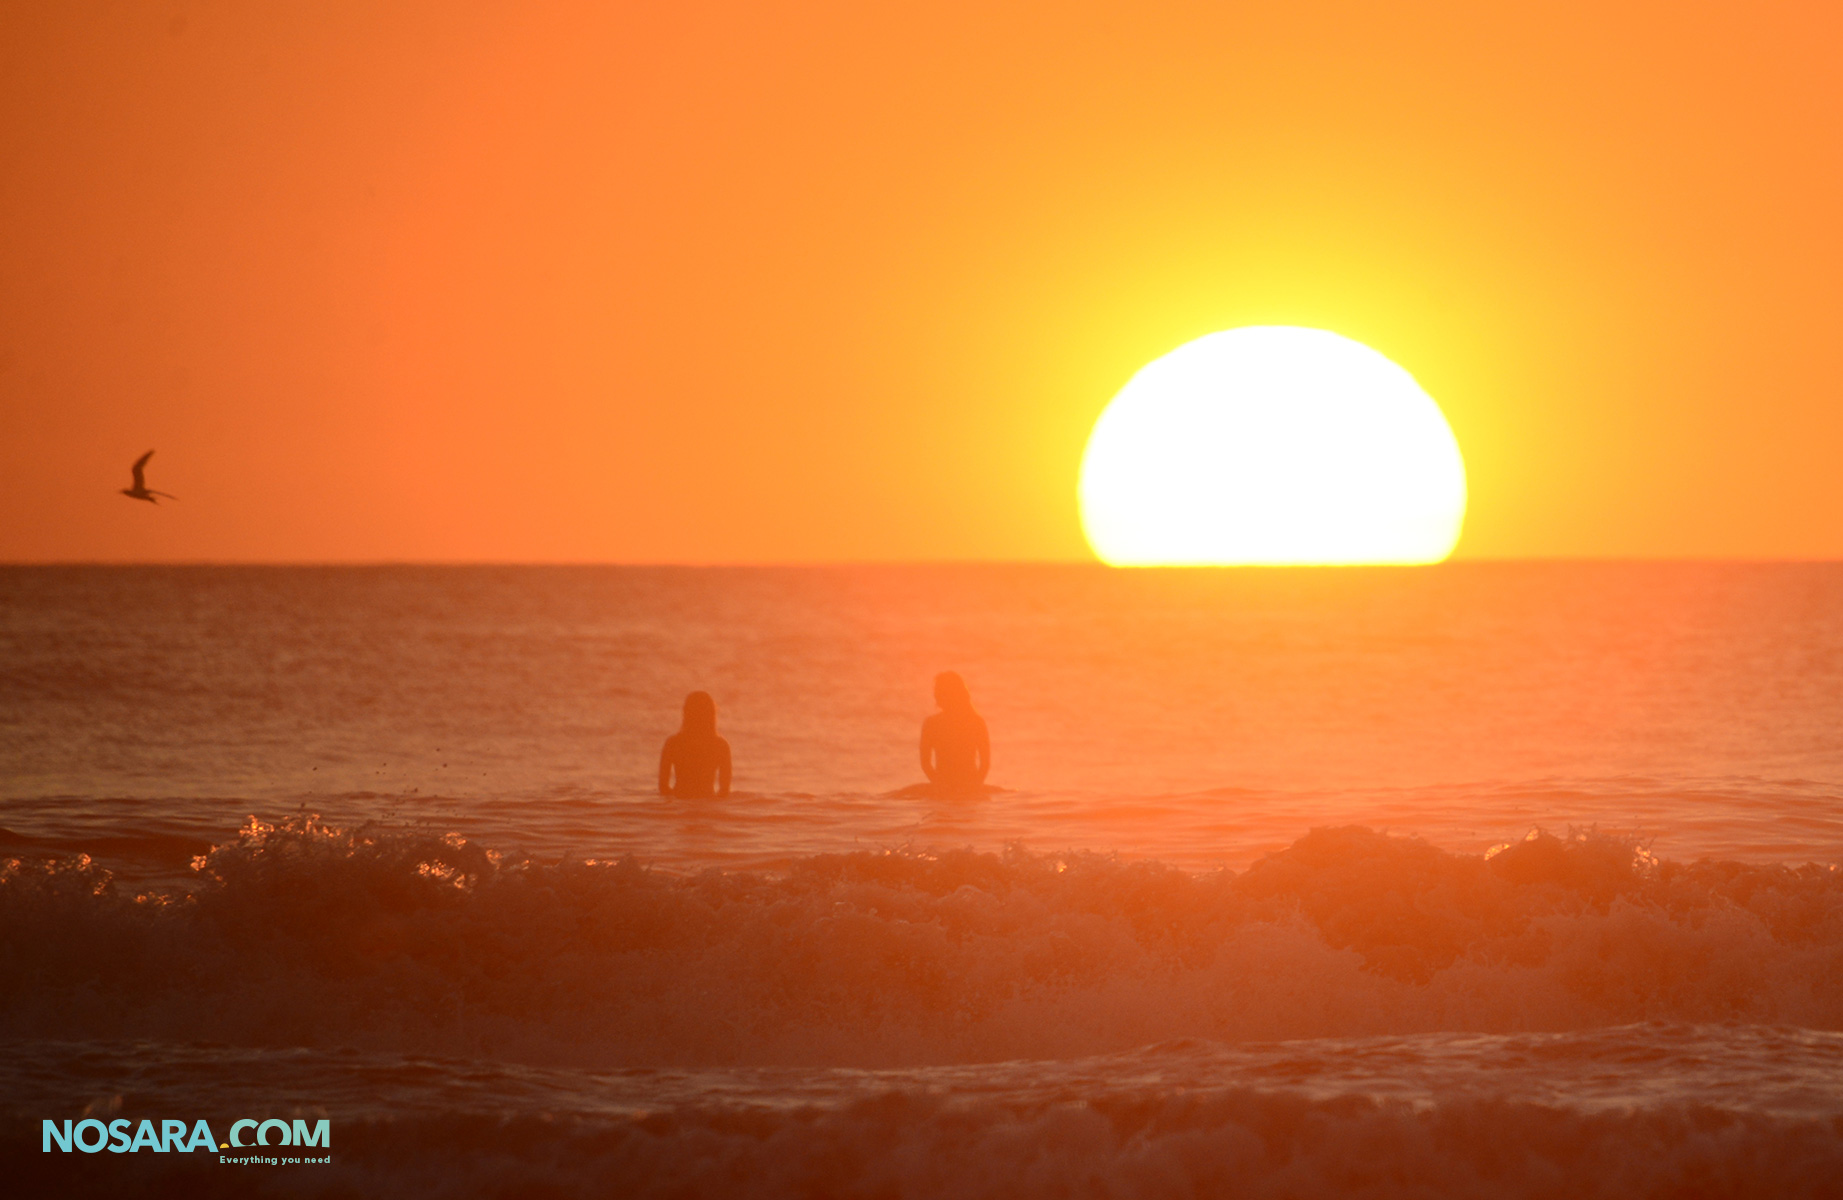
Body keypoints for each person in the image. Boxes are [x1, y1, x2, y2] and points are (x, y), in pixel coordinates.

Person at [918, 671, 990, 793]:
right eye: (936, 691)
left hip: (968, 785)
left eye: (939, 691)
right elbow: (925, 764)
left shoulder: (976, 722)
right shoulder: (931, 723)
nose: (935, 695)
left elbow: (985, 763)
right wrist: (939, 784)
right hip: (944, 785)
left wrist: (976, 785)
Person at [659, 691, 732, 799]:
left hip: (679, 807)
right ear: (712, 714)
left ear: (686, 713)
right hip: (709, 807)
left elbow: (663, 788)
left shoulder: (673, 743)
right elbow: (724, 791)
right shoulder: (721, 746)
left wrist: (674, 804)